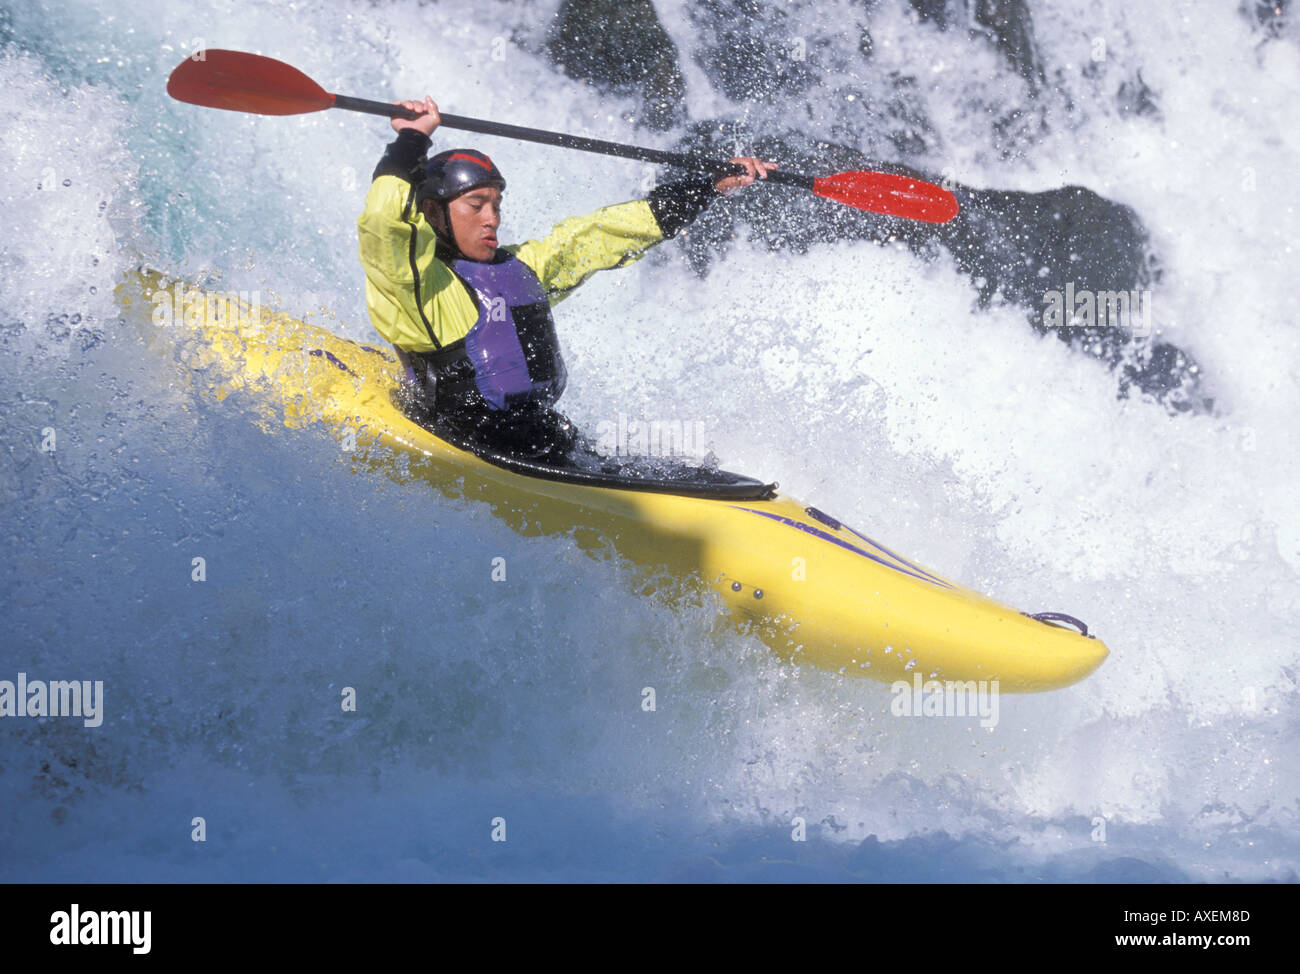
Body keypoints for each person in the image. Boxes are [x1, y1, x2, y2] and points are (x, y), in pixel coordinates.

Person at [357, 95, 774, 463]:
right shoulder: (418, 291)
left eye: (496, 205)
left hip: (540, 438)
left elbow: (605, 234)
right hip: (469, 446)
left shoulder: (520, 269)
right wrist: (412, 138)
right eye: (476, 205)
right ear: (433, 213)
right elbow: (384, 223)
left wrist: (708, 187)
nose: (492, 219)